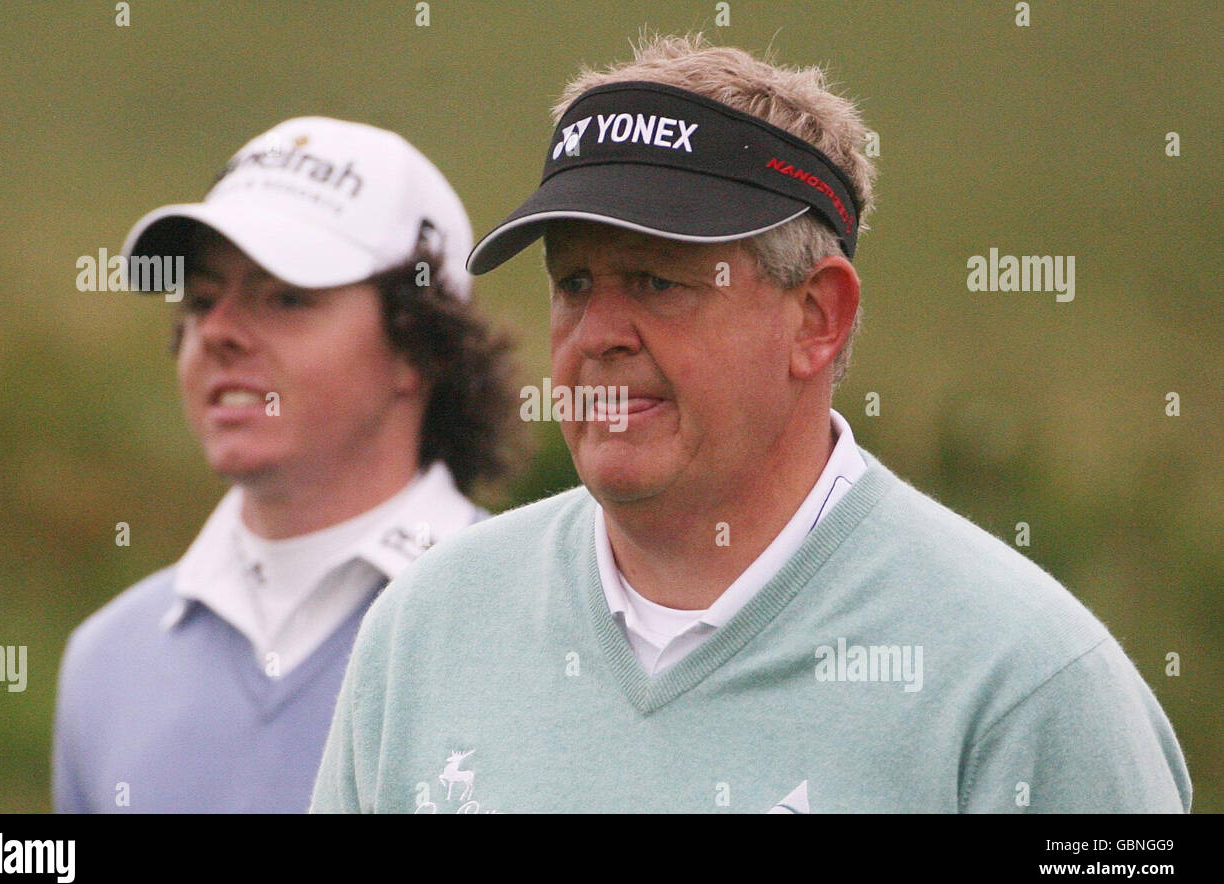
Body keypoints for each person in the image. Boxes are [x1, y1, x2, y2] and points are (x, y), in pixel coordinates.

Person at [310, 37, 1192, 814]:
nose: (599, 336)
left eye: (658, 282)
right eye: (574, 282)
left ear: (818, 317)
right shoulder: (427, 626)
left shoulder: (1029, 685)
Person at [54, 116, 517, 813]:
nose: (216, 333)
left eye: (286, 298)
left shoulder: (541, 633)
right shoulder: (106, 662)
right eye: (203, 300)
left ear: (419, 347)